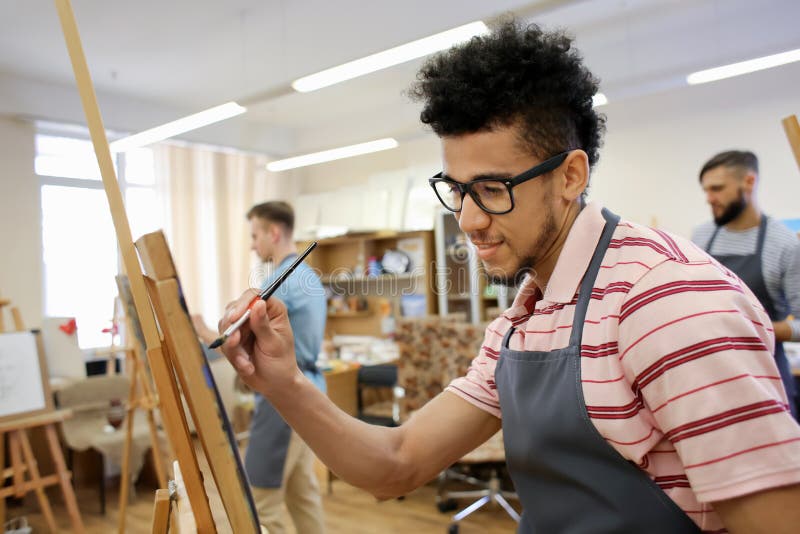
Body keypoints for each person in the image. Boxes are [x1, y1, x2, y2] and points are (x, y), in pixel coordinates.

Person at [219, 21, 800, 533]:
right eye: (458, 190)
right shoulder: (529, 312)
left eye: (493, 190)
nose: (469, 220)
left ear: (571, 176)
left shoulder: (665, 303)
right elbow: (398, 461)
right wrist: (284, 383)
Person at [211, 201, 327, 533]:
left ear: (273, 232)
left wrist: (202, 329)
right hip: (310, 394)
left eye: (255, 235)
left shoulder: (282, 282)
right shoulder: (307, 277)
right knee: (301, 494)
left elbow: (241, 339)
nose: (252, 244)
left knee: (261, 504)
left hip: (285, 403)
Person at [692, 150, 800, 420]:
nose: (709, 198)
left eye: (717, 188)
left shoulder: (784, 245)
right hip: (707, 375)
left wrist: (751, 325)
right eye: (706, 190)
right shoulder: (702, 237)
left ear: (749, 182)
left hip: (764, 378)